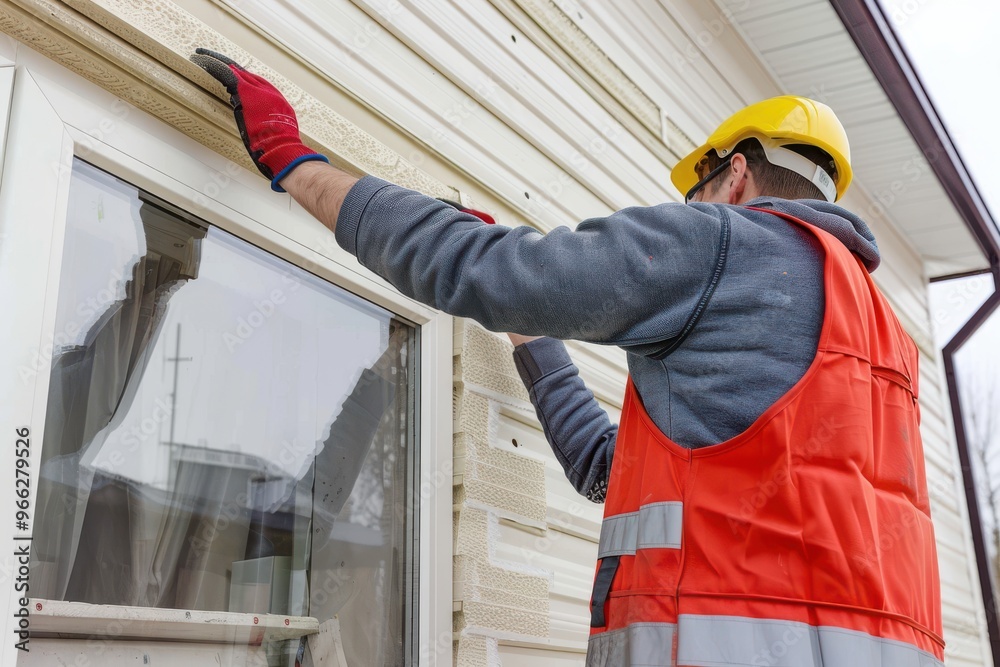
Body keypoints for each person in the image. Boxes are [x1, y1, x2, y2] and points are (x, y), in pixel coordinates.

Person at [191, 49, 944, 666]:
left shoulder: (722, 242)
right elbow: (613, 470)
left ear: (736, 174)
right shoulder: (883, 340)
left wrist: (298, 162)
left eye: (701, 191)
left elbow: (484, 267)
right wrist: (532, 335)